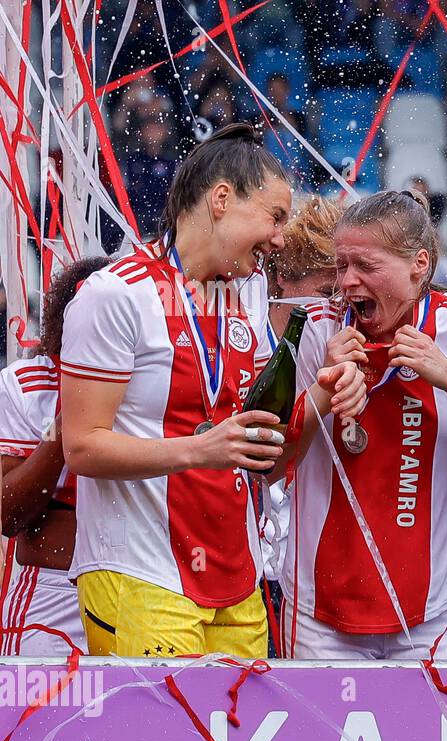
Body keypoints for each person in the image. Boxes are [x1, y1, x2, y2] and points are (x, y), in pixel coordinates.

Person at [60, 124, 344, 658]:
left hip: (239, 584)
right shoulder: (115, 295)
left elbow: (268, 455)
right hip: (143, 575)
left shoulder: (245, 304)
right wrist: (200, 450)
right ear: (220, 200)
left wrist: (325, 390)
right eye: (275, 217)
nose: (281, 239)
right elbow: (82, 447)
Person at [279, 190, 447, 661]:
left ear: (419, 265)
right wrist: (320, 391)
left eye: (366, 266)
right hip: (319, 616)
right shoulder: (315, 330)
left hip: (433, 615)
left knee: (438, 738)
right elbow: (270, 465)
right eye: (341, 267)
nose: (348, 282)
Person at [0, 256, 108, 657]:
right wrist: (70, 419)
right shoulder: (26, 386)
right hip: (52, 594)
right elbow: (9, 516)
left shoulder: (157, 381)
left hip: (141, 587)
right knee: (36, 717)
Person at [258, 195, 342, 645]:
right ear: (280, 280)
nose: (335, 312)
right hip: (251, 574)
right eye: (327, 294)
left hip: (311, 580)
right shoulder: (236, 348)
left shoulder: (346, 355)